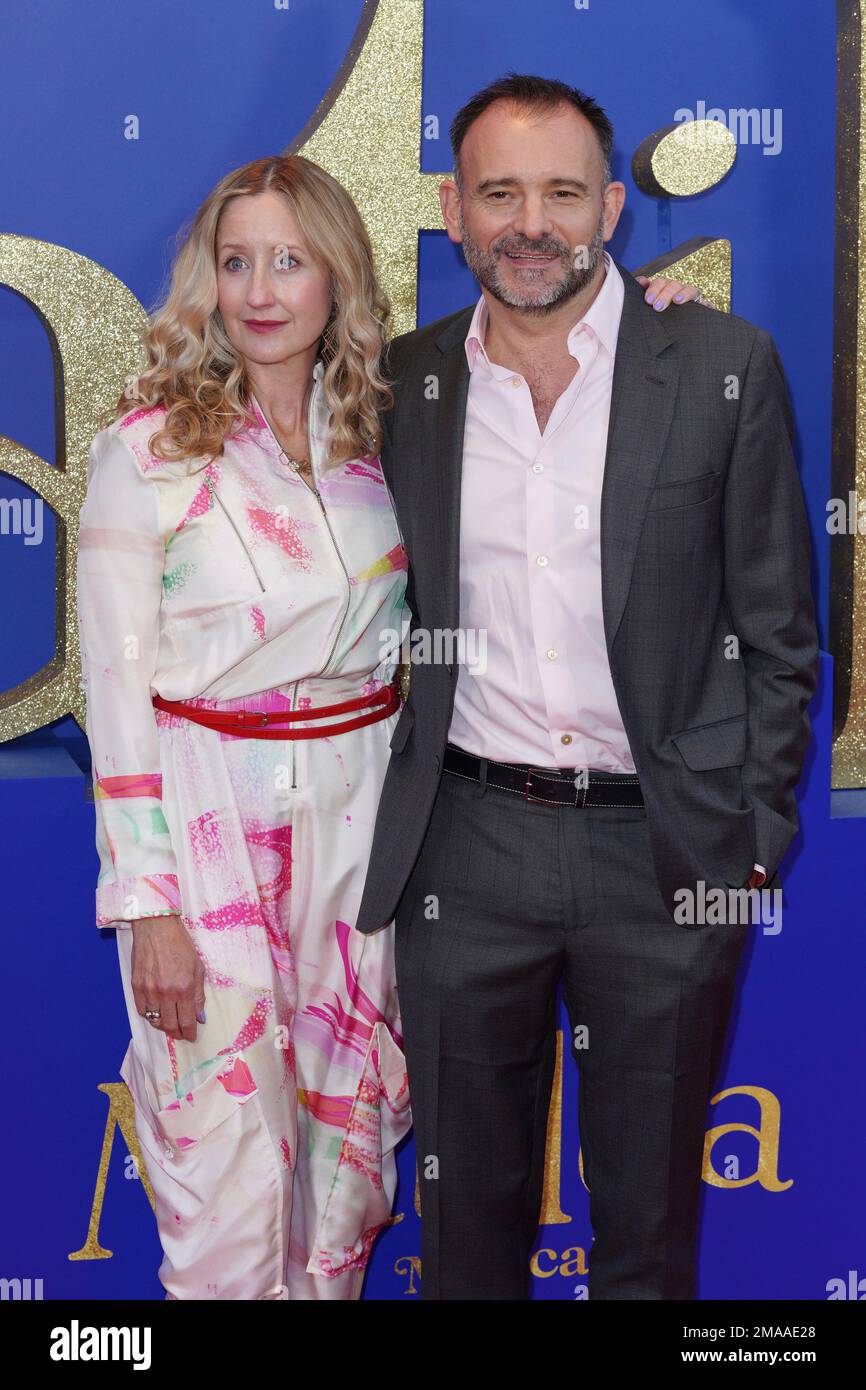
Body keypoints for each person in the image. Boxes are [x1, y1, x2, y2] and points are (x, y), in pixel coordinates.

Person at [355, 74, 819, 1300]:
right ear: (451, 209)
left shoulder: (721, 364)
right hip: (464, 849)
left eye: (561, 192)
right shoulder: (406, 385)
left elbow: (780, 631)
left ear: (611, 206)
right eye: (498, 192)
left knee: (648, 1234)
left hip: (663, 857)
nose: (530, 222)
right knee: (462, 1241)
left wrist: (751, 840)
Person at [77, 154, 414, 1300]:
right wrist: (148, 904)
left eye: (289, 259)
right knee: (217, 1158)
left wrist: (644, 303)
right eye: (236, 262)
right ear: (207, 283)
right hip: (208, 820)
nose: (261, 289)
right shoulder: (148, 453)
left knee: (346, 1154)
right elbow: (115, 701)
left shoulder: (383, 441)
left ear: (337, 279)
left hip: (362, 833)